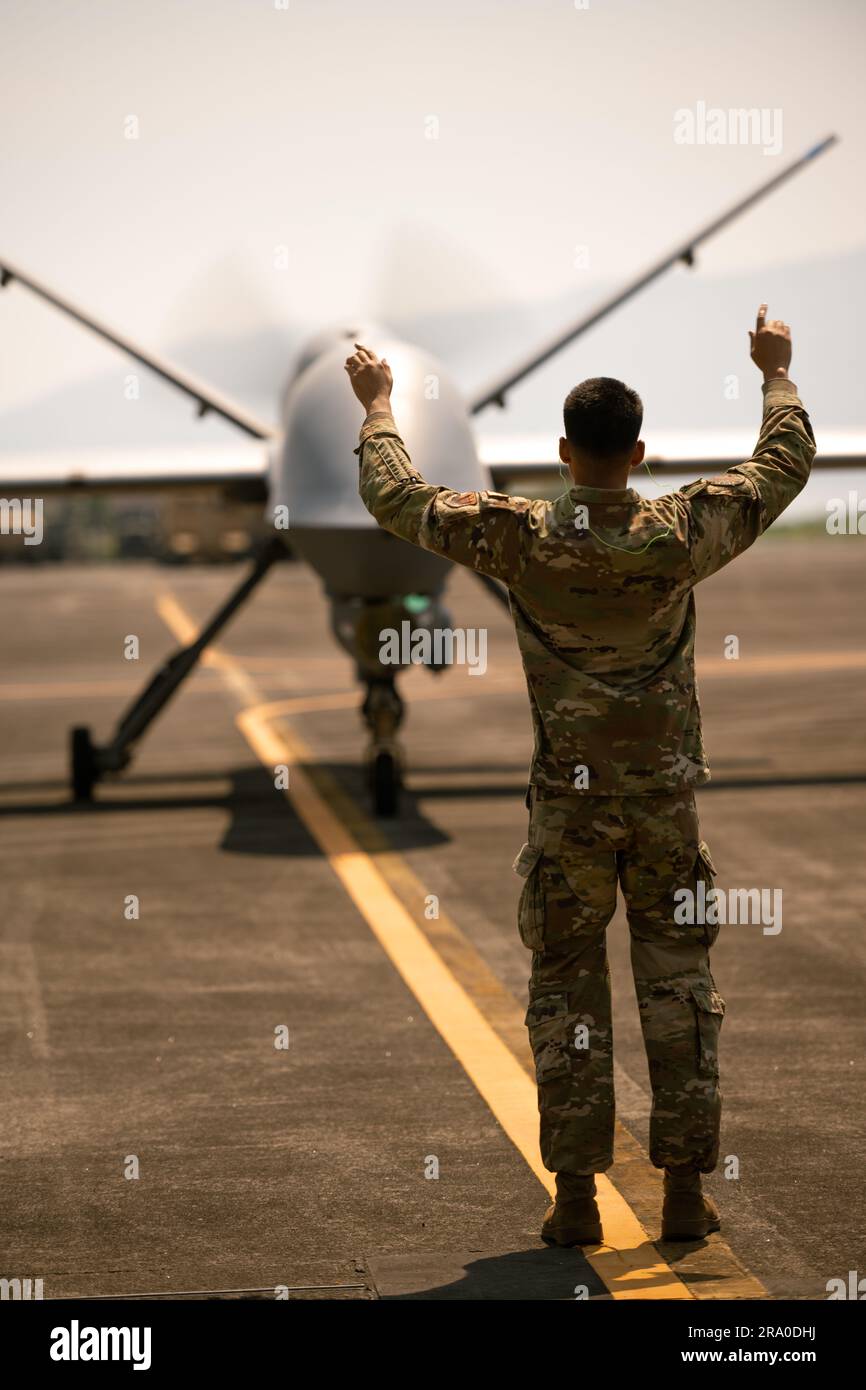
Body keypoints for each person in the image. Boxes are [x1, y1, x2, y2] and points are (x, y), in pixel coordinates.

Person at [345, 306, 815, 1244]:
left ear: (565, 450)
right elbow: (784, 464)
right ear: (638, 453)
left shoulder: (520, 538)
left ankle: (575, 1201)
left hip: (570, 812)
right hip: (664, 809)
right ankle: (683, 1193)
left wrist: (380, 404)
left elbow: (398, 500)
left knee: (567, 992)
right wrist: (775, 371)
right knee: (678, 985)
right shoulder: (681, 533)